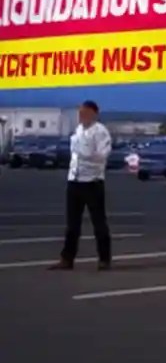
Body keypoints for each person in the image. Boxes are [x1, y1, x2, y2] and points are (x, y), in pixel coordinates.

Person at [49, 100, 113, 270]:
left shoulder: (100, 132)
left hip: (92, 182)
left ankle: (104, 259)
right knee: (72, 223)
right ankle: (67, 258)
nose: (81, 116)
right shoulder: (78, 130)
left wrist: (85, 154)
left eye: (85, 113)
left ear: (94, 114)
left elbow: (102, 156)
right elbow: (74, 154)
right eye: (80, 113)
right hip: (74, 180)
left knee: (98, 222)